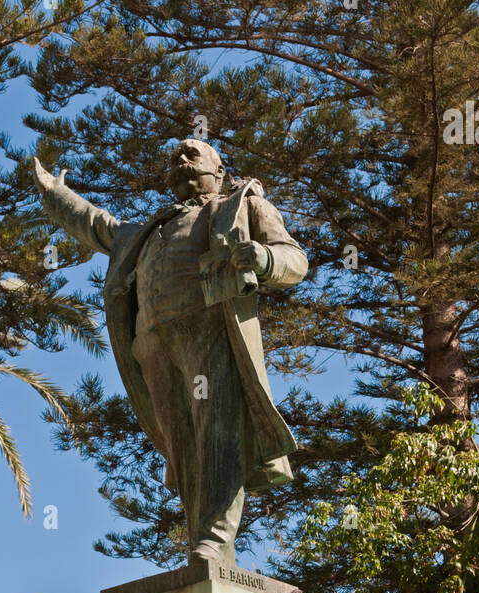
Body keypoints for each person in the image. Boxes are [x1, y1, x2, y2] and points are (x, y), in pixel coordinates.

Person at [34, 138, 307, 562]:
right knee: (183, 447)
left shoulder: (243, 205)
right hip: (154, 345)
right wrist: (56, 194)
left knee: (218, 433)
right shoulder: (145, 232)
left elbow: (296, 260)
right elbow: (97, 225)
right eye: (174, 158)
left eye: (192, 154)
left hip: (211, 328)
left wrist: (266, 257)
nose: (181, 160)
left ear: (219, 171)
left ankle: (214, 540)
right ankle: (205, 545)